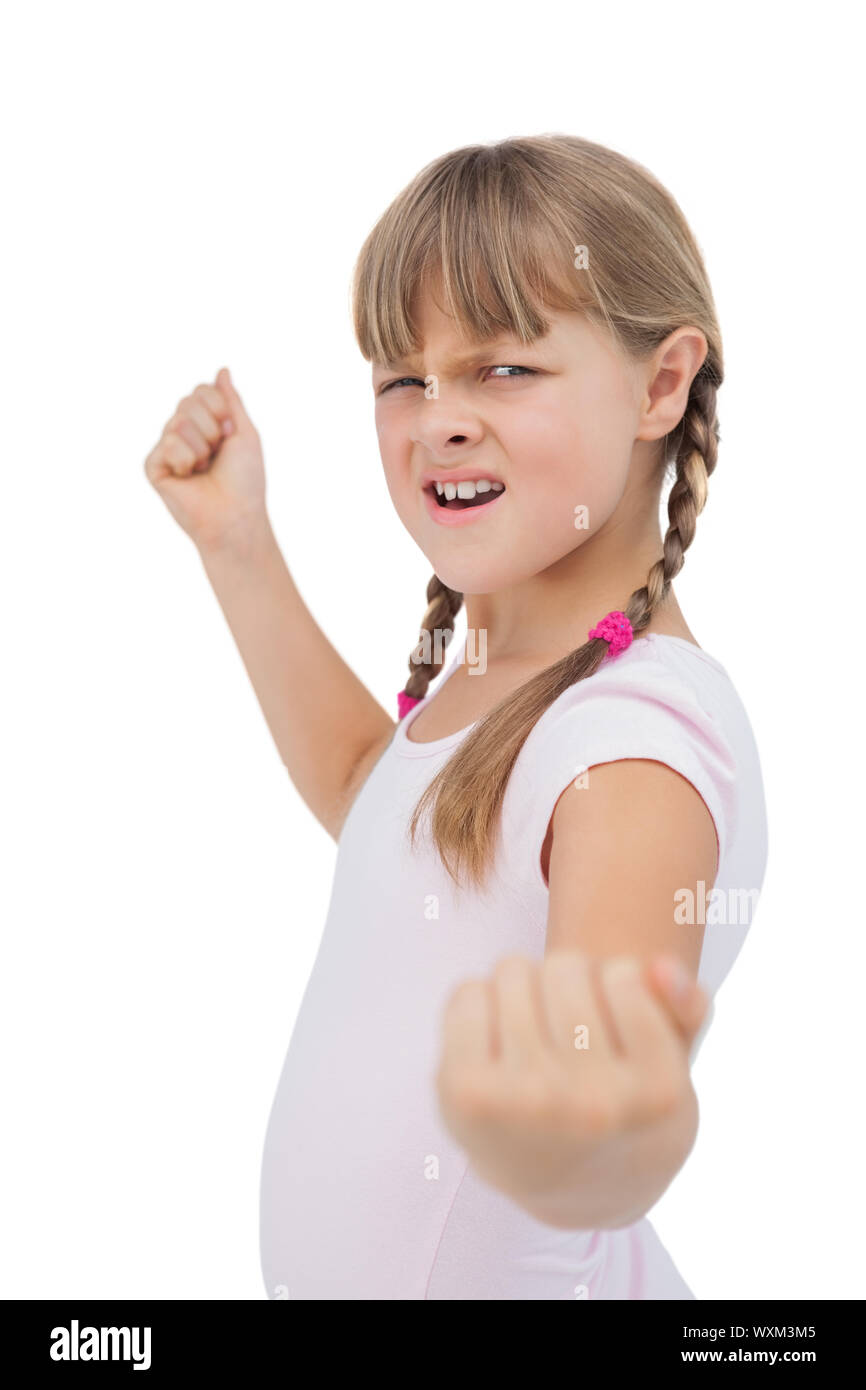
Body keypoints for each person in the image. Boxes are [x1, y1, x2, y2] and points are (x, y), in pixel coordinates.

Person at [144, 134, 768, 1299]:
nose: (437, 419)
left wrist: (582, 1133)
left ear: (659, 383)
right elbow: (370, 792)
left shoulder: (631, 742)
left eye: (503, 370)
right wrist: (236, 542)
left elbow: (610, 1116)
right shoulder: (511, 673)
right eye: (402, 378)